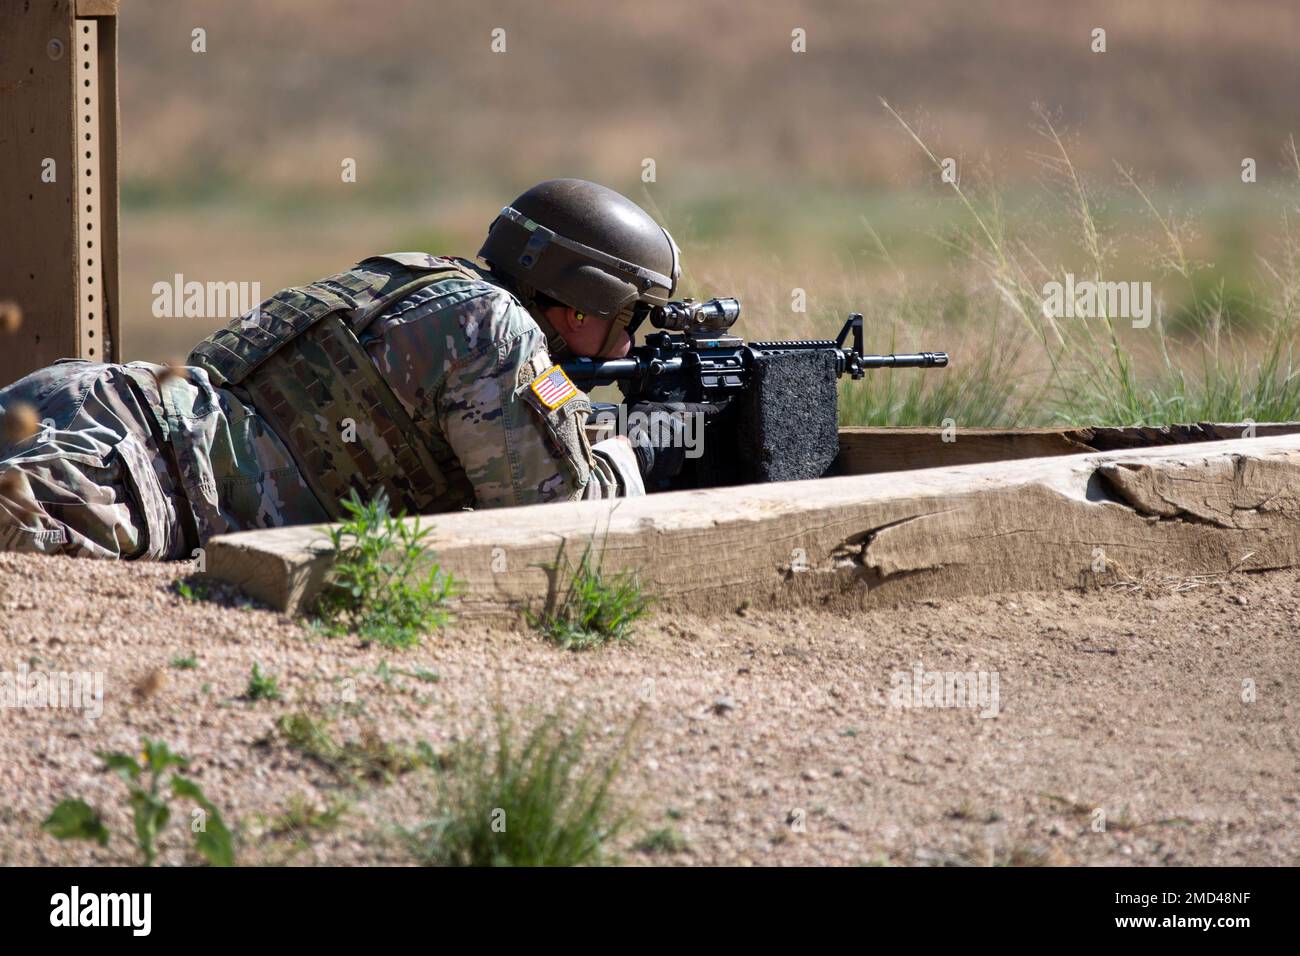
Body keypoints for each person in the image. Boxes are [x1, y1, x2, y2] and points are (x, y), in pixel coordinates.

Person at [0, 179, 681, 559]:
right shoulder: (500, 335)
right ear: (590, 302)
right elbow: (550, 523)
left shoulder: (415, 280)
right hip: (129, 474)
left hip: (87, 399)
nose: (627, 346)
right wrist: (633, 459)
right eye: (631, 319)